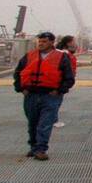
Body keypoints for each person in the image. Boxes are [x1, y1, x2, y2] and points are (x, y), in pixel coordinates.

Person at [13, 31, 75, 161]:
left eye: (44, 42)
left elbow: (69, 77)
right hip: (31, 95)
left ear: (52, 42)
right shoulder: (29, 56)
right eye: (39, 41)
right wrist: (20, 88)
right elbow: (18, 73)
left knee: (45, 123)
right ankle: (33, 146)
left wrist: (60, 90)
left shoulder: (61, 58)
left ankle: (41, 149)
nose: (41, 44)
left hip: (50, 96)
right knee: (32, 122)